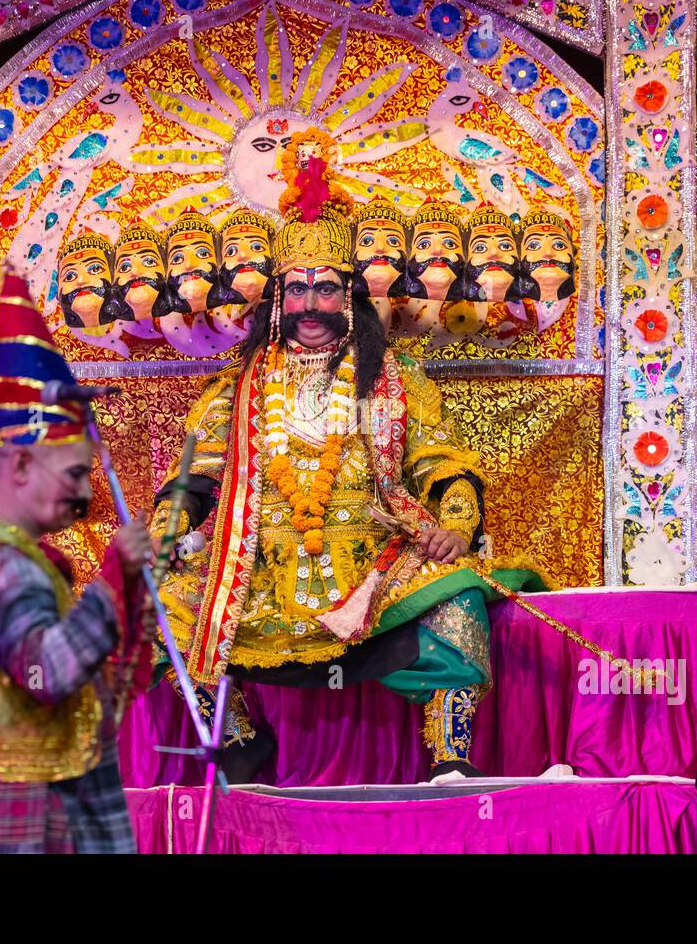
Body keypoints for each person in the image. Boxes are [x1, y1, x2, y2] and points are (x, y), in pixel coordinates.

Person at [148, 128, 545, 783]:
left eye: (325, 288)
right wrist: (170, 528)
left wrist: (455, 522)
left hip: (373, 564)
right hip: (257, 576)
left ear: (350, 298)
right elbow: (194, 474)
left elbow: (441, 457)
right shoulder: (238, 385)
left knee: (458, 599)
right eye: (295, 289)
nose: (309, 304)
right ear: (275, 301)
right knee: (161, 608)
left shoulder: (391, 374)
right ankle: (243, 754)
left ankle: (451, 761)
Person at [0, 273, 154, 853]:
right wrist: (112, 582)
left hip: (31, 794)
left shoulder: (19, 555)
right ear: (19, 467)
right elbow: (46, 673)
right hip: (5, 809)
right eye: (73, 476)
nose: (82, 496)